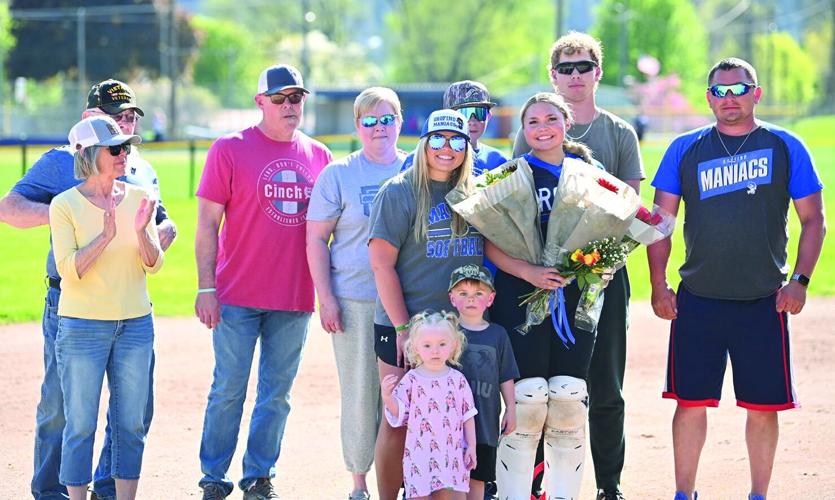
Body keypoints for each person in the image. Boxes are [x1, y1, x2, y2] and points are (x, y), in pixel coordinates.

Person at [647, 57, 825, 500]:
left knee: (764, 407)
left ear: (756, 94)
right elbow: (659, 224)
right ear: (708, 98)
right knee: (689, 403)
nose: (730, 98)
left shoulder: (785, 145)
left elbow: (814, 219)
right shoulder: (685, 148)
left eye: (739, 89)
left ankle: (758, 493)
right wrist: (658, 284)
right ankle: (684, 493)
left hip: (764, 300)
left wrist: (800, 280)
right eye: (720, 91)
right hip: (699, 299)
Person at [0, 78, 176, 500]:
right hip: (71, 298)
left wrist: (156, 234)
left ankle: (107, 487)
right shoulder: (62, 161)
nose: (125, 125)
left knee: (132, 409)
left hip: (128, 298)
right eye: (117, 116)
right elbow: (10, 208)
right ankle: (50, 491)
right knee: (62, 406)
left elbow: (165, 221)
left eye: (131, 116)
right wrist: (76, 216)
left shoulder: (139, 168)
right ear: (88, 119)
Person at [512, 31, 644, 500]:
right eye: (565, 68)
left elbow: (631, 207)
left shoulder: (618, 132)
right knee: (543, 385)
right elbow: (515, 207)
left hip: (601, 275)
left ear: (597, 72)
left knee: (605, 382)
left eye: (583, 66)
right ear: (553, 75)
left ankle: (609, 484)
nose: (574, 75)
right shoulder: (530, 129)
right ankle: (539, 485)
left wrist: (594, 261)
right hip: (544, 278)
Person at [194, 64, 332, 500]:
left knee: (276, 394)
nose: (290, 106)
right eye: (280, 98)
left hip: (294, 296)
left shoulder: (319, 155)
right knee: (229, 389)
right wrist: (205, 287)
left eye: (296, 98)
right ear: (260, 102)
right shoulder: (230, 148)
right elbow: (206, 224)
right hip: (236, 294)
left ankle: (259, 475)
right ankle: (214, 477)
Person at [368, 109, 484, 500]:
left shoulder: (475, 193)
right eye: (438, 140)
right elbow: (382, 264)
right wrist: (403, 330)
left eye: (456, 140)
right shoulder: (399, 191)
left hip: (456, 328)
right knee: (399, 419)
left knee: (450, 419)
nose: (446, 149)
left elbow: (496, 250)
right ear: (423, 144)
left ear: (467, 147)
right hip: (404, 325)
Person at [489, 92, 600, 500]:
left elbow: (615, 228)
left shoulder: (588, 173)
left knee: (569, 397)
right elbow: (487, 240)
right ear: (523, 129)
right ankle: (514, 493)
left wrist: (589, 264)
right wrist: (527, 271)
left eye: (550, 118)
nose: (542, 128)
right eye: (532, 121)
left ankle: (563, 494)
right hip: (519, 294)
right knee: (528, 397)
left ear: (567, 123)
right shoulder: (509, 175)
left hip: (574, 298)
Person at [50, 115, 163, 500]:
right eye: (115, 148)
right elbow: (69, 271)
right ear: (89, 155)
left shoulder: (138, 199)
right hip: (82, 327)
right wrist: (106, 236)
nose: (123, 154)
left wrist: (139, 235)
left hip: (135, 324)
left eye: (126, 147)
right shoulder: (64, 205)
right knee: (80, 424)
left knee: (131, 424)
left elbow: (154, 263)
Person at [306, 86, 407, 500]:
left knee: (409, 390)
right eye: (370, 121)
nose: (379, 128)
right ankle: (359, 481)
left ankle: (406, 477)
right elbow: (316, 240)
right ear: (357, 126)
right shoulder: (339, 174)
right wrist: (326, 297)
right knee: (361, 391)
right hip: (356, 298)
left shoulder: (416, 168)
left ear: (400, 122)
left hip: (407, 301)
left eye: (387, 119)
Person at [381, 310, 478, 499]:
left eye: (442, 344)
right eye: (427, 345)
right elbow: (400, 413)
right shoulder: (412, 379)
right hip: (419, 453)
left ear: (454, 345)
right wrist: (387, 396)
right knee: (419, 494)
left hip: (448, 452)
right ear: (416, 348)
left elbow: (468, 415)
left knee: (446, 493)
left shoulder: (457, 380)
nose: (435, 350)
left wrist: (472, 446)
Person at [447, 264, 518, 500]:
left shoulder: (498, 334)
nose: (471, 299)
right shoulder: (447, 332)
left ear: (490, 299)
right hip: (451, 425)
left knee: (478, 480)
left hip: (485, 424)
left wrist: (511, 409)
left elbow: (505, 375)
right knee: (455, 481)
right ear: (452, 298)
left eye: (478, 294)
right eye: (463, 293)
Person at [401, 80, 508, 176]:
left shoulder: (499, 161)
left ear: (489, 116)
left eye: (479, 113)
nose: (472, 121)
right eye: (464, 113)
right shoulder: (418, 159)